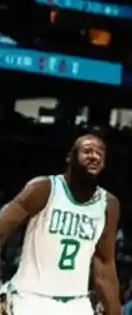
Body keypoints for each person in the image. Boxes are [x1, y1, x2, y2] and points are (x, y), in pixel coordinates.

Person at [0, 133, 121, 315]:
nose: (94, 156)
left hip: (77, 303)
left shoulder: (109, 205)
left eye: (100, 153)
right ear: (70, 157)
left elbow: (104, 265)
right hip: (30, 298)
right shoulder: (44, 189)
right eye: (87, 150)